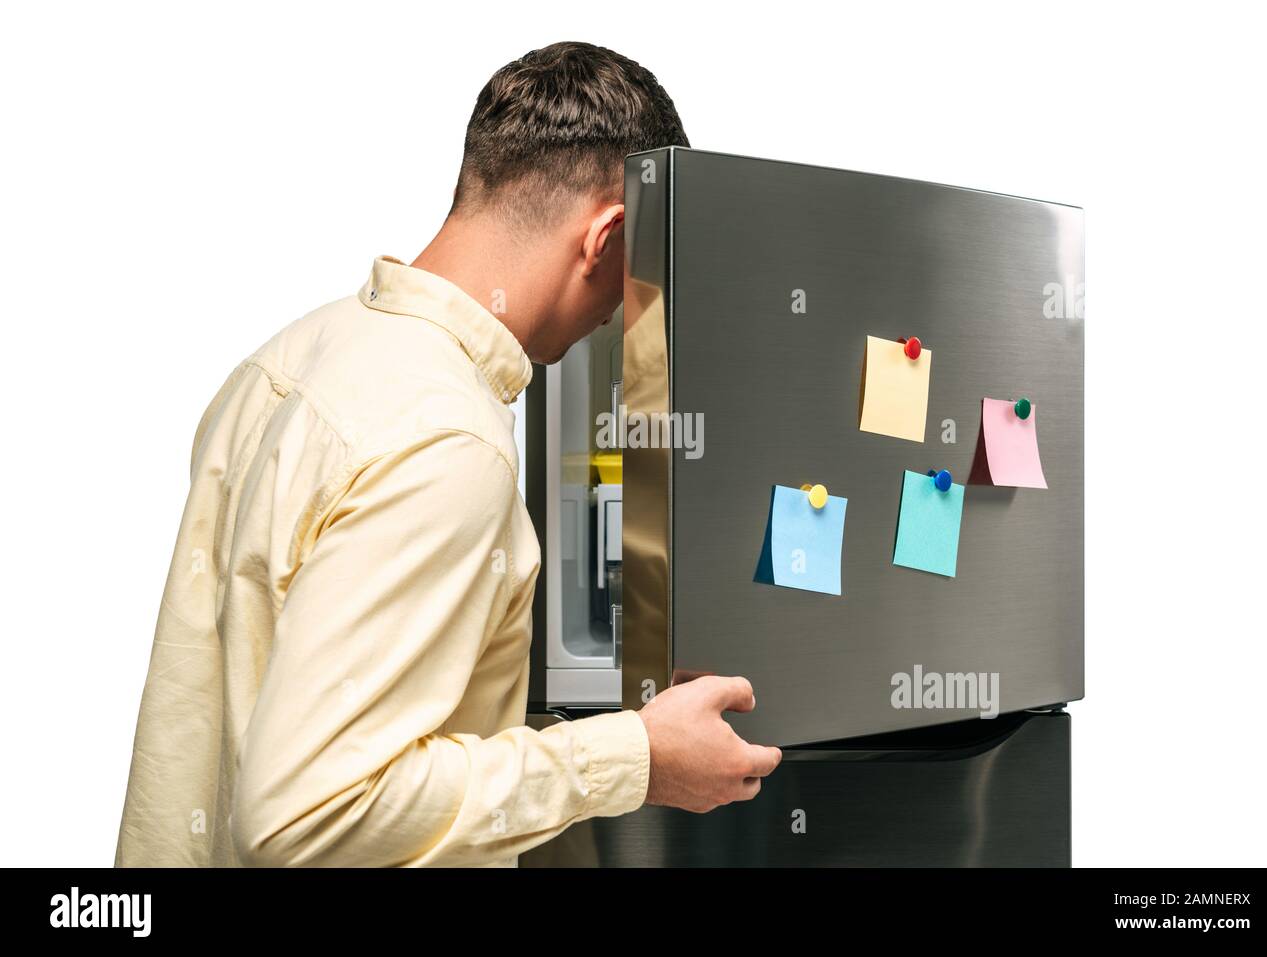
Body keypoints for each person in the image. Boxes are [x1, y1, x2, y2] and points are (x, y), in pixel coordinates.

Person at [115, 40, 781, 868]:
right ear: (606, 238)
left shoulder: (287, 361)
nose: (618, 318)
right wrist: (634, 759)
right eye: (635, 280)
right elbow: (306, 814)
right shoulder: (452, 441)